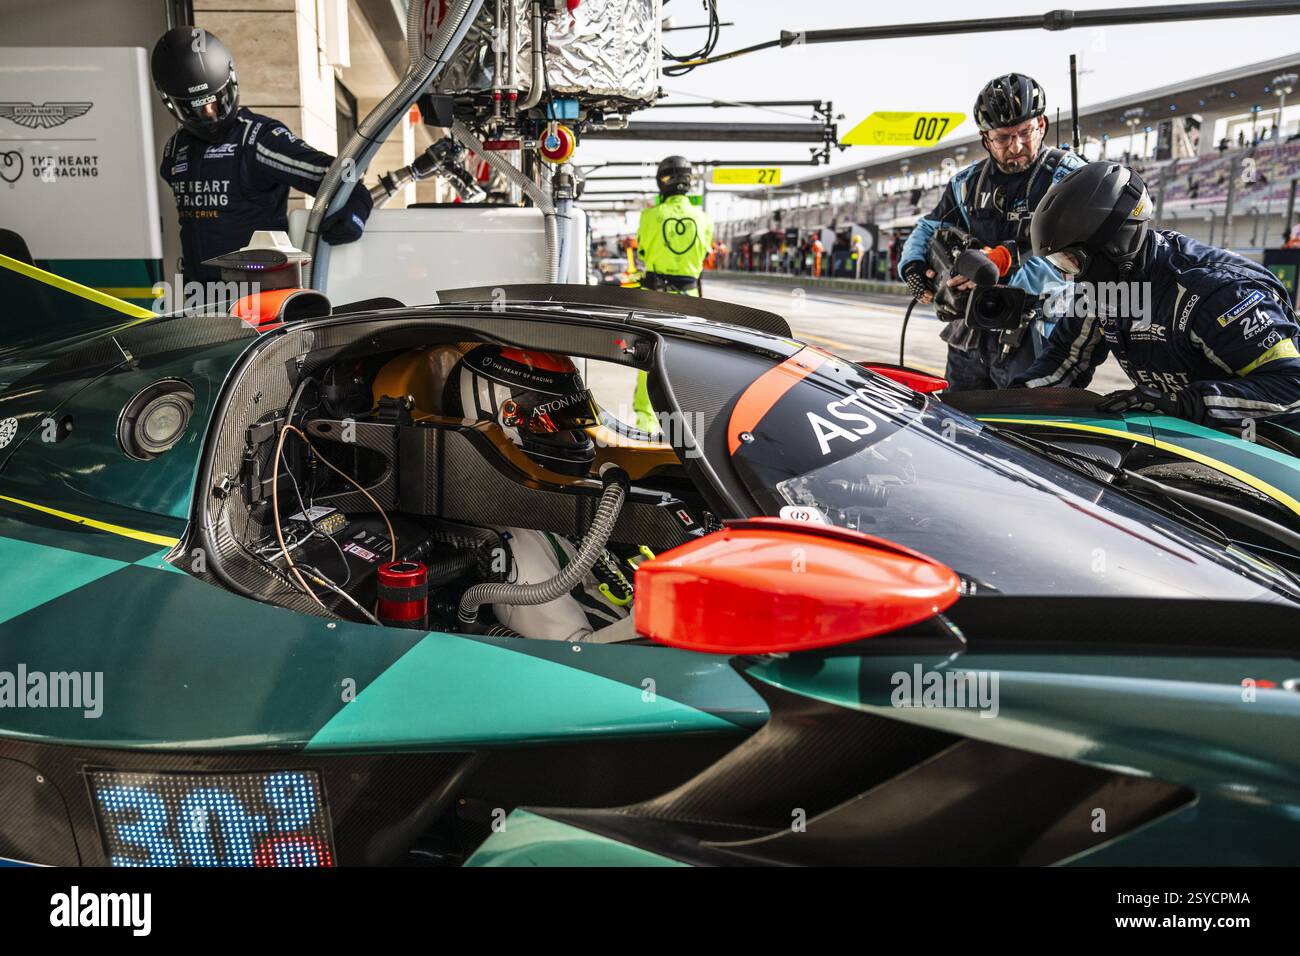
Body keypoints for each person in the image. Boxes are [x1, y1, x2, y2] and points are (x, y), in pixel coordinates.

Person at [1015, 161, 1300, 428]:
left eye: (1071, 261)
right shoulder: (1102, 290)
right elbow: (1063, 363)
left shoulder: (1216, 294)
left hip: (1273, 451)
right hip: (1197, 442)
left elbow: (1292, 387)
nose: (1068, 276)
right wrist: (1004, 404)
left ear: (1114, 246)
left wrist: (1178, 403)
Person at [898, 73, 1086, 390]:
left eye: (1025, 132)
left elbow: (1079, 255)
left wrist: (1003, 263)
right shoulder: (966, 183)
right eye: (1002, 138)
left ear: (1041, 125)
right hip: (971, 331)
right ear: (985, 139)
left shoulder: (1070, 177)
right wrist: (913, 266)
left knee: (1026, 431)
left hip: (1038, 332)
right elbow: (929, 226)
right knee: (957, 429)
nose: (1016, 145)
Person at [150, 27, 373, 288]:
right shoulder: (175, 150)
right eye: (196, 109)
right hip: (198, 295)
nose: (211, 114)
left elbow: (336, 175)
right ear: (171, 104)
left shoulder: (257, 139)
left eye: (218, 101)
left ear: (231, 83)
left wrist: (358, 206)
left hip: (261, 295)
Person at [632, 155, 713, 430]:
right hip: (691, 302)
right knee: (688, 365)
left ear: (661, 181)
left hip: (655, 299)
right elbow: (704, 254)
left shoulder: (650, 216)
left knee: (648, 359)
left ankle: (645, 426)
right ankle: (686, 430)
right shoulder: (703, 218)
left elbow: (643, 249)